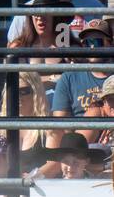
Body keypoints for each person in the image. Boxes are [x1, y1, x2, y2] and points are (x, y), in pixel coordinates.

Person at [48, 18, 112, 148]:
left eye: (97, 41)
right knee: (54, 130)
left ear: (110, 43)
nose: (92, 47)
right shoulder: (69, 77)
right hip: (78, 146)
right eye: (87, 43)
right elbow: (61, 124)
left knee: (95, 113)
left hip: (110, 140)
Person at [8, 0, 71, 104]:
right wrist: (53, 78)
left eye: (45, 12)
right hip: (29, 107)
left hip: (62, 108)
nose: (40, 18)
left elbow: (77, 80)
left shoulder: (70, 46)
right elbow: (15, 82)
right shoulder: (19, 47)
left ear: (56, 16)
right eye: (35, 13)